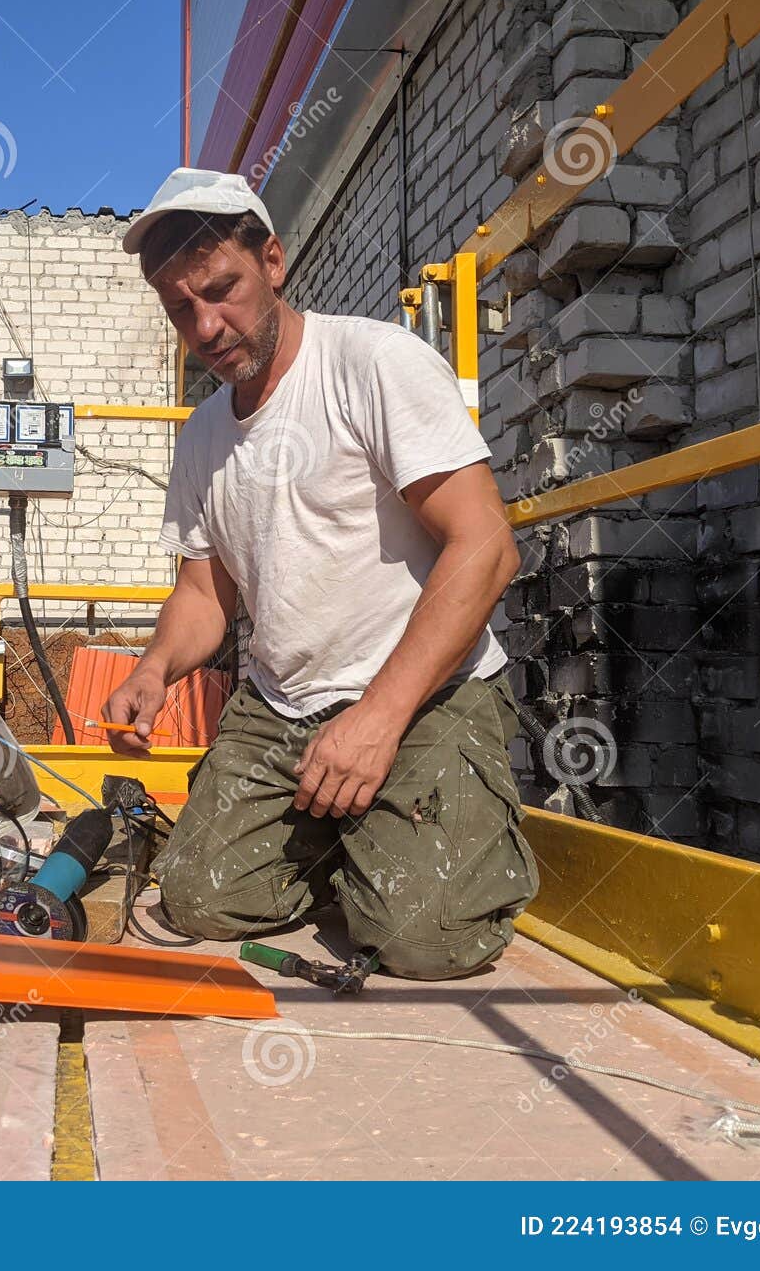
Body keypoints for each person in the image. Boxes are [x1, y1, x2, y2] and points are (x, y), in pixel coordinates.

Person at [100, 167, 537, 980]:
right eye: (180, 309)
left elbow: (486, 547)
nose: (206, 324)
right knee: (197, 901)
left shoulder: (373, 364)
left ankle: (428, 837)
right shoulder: (201, 438)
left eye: (222, 289)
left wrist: (377, 718)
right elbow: (204, 594)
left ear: (273, 261)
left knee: (422, 942)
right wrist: (155, 670)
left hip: (420, 695)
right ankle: (363, 838)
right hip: (281, 709)